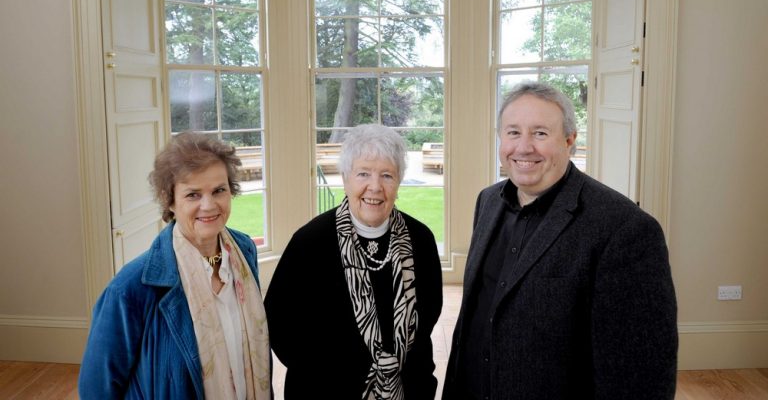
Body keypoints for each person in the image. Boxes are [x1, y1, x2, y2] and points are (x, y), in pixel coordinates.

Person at [443, 81, 678, 400]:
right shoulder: (488, 202)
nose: (524, 147)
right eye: (513, 132)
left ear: (570, 142)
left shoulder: (624, 229)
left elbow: (641, 375)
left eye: (540, 133)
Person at [79, 132, 271, 400]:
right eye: (193, 195)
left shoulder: (244, 251)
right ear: (170, 200)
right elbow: (97, 389)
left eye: (219, 190)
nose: (209, 205)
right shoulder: (130, 288)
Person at [265, 124, 443, 399]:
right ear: (346, 178)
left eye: (387, 175)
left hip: (407, 389)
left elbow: (429, 313)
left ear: (398, 181)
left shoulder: (421, 238)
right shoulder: (309, 242)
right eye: (363, 174)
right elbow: (280, 325)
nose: (375, 187)